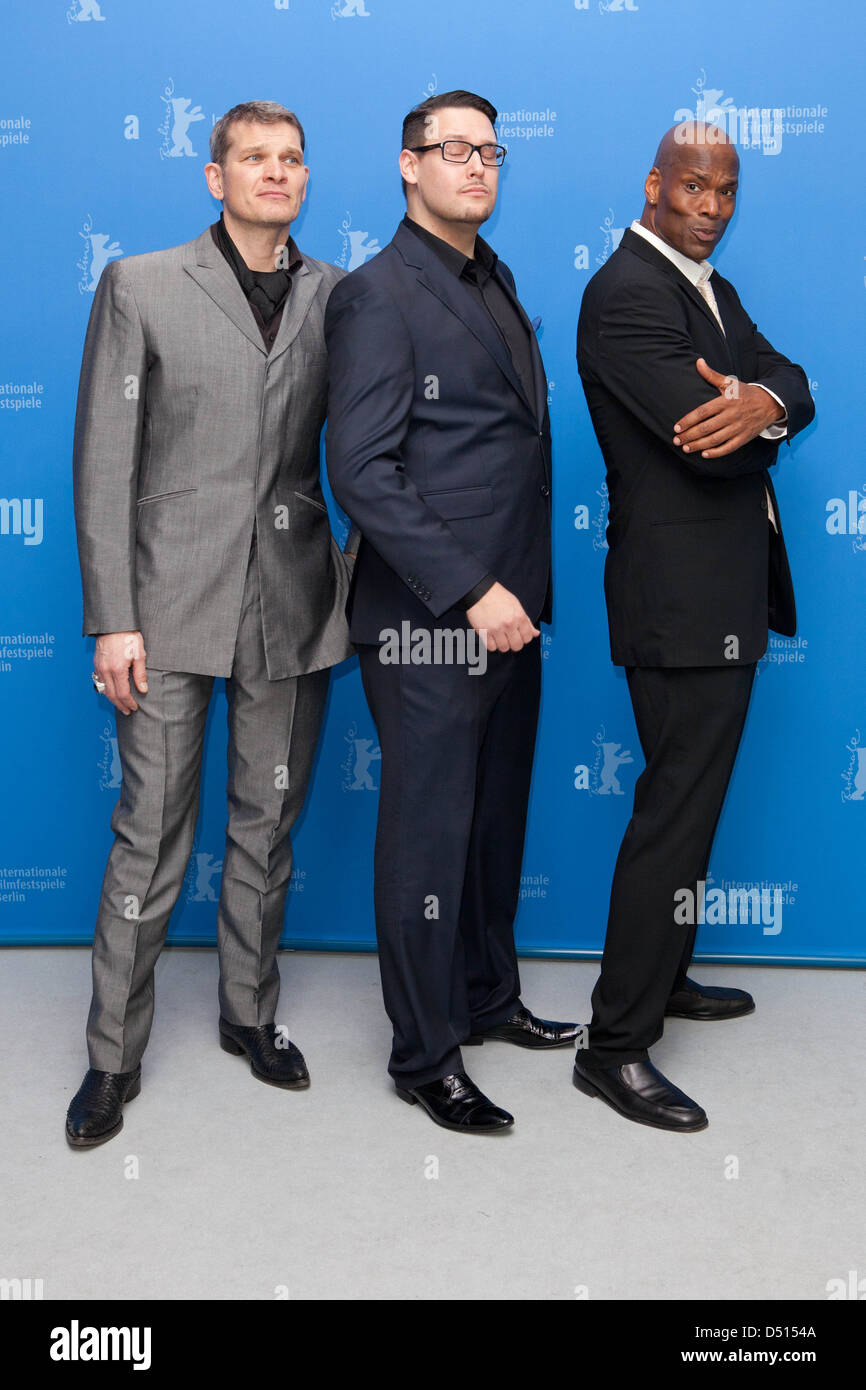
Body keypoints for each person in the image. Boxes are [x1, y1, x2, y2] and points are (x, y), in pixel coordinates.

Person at [66, 100, 352, 1149]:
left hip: (291, 601)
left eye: (291, 158)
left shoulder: (338, 297)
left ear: (306, 179)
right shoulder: (140, 283)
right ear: (213, 176)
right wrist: (113, 619)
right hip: (165, 603)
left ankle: (248, 1013)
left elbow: (368, 445)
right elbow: (105, 459)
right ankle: (112, 1054)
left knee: (265, 826)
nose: (274, 173)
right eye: (253, 159)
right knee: (149, 838)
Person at [325, 90, 579, 1135]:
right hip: (438, 616)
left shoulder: (492, 274)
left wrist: (508, 597)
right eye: (454, 150)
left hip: (512, 613)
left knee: (489, 825)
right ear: (406, 164)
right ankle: (425, 1054)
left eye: (490, 151)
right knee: (428, 841)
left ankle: (483, 997)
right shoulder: (378, 293)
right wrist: (472, 592)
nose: (476, 166)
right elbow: (363, 472)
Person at [574, 122, 814, 1131]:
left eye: (724, 193)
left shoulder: (704, 286)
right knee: (670, 814)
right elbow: (705, 447)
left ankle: (663, 977)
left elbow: (783, 379)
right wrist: (760, 417)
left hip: (717, 596)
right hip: (676, 601)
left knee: (692, 806)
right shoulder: (628, 292)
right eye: (692, 189)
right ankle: (614, 1044)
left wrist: (761, 398)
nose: (710, 208)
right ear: (652, 185)